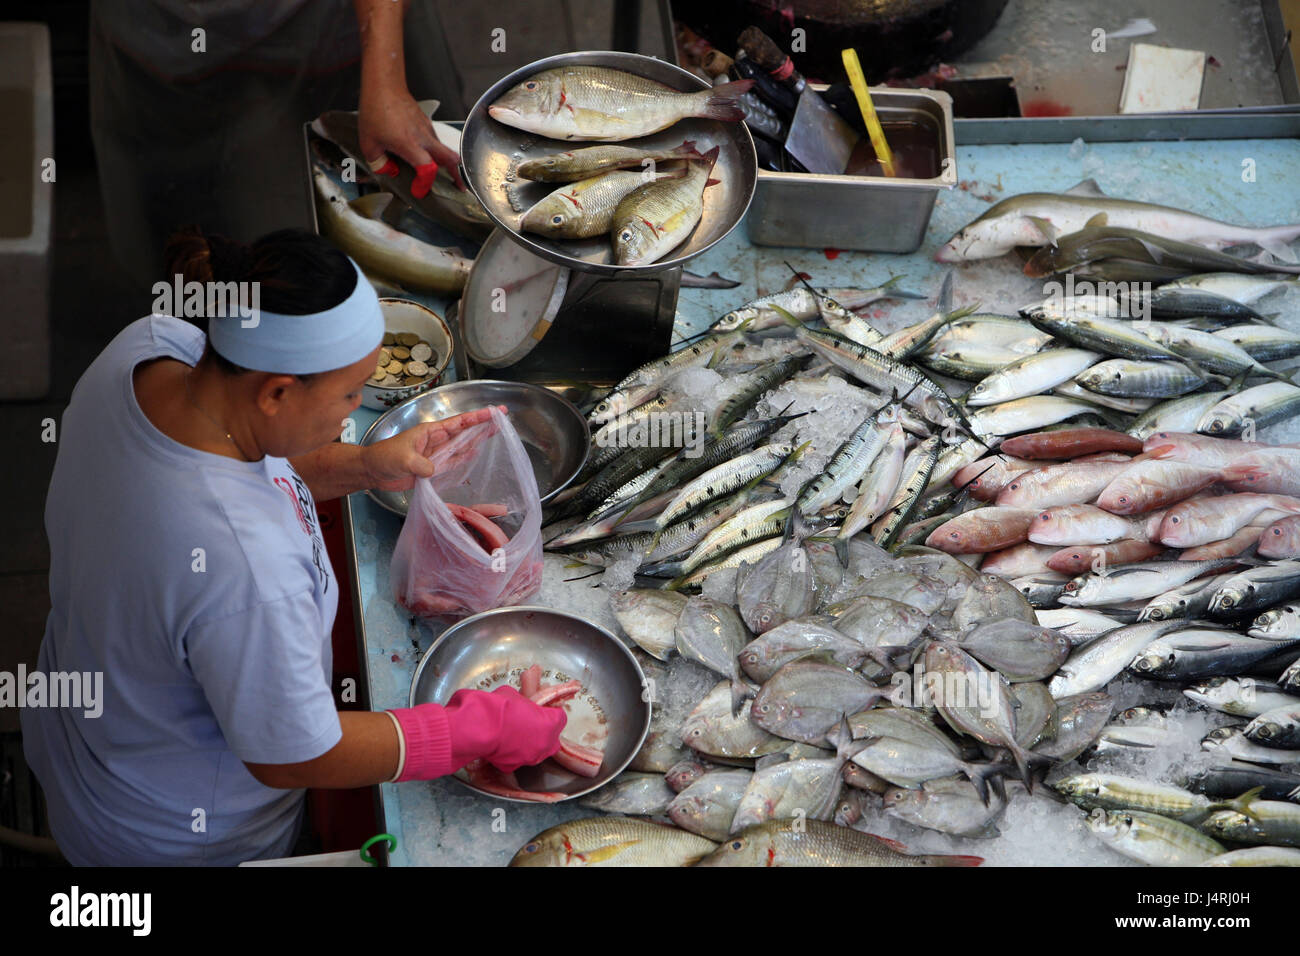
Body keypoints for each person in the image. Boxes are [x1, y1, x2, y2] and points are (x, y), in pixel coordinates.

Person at [21, 229, 565, 865]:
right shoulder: (246, 569)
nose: (352, 411)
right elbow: (296, 753)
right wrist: (477, 729)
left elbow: (232, 463)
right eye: (348, 395)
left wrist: (365, 464)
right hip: (175, 832)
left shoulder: (152, 350)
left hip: (90, 731)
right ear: (277, 391)